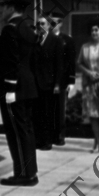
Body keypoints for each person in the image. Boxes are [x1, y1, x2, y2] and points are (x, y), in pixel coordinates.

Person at [0, 0, 38, 187]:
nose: (1, 11)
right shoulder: (28, 27)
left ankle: (23, 174)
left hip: (14, 88)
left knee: (16, 132)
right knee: (26, 130)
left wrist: (11, 88)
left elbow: (11, 61)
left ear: (12, 8)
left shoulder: (10, 30)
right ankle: (30, 172)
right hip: (28, 87)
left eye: (3, 7)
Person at [76, 19, 99, 153]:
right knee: (93, 115)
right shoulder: (85, 47)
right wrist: (89, 73)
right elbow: (79, 63)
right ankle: (98, 142)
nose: (94, 32)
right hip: (89, 85)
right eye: (92, 30)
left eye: (96, 30)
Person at [32, 16, 63, 151]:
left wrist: (57, 84)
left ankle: (47, 141)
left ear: (49, 25)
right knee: (37, 113)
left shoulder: (56, 41)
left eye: (43, 23)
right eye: (38, 23)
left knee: (48, 113)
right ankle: (38, 140)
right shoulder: (35, 40)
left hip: (49, 83)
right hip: (35, 83)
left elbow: (60, 64)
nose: (40, 25)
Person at [51, 14, 76, 146]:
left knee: (59, 109)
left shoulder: (67, 40)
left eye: (55, 22)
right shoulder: (44, 38)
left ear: (60, 24)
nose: (52, 25)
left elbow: (71, 62)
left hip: (62, 80)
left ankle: (60, 136)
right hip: (47, 80)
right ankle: (49, 135)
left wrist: (71, 81)